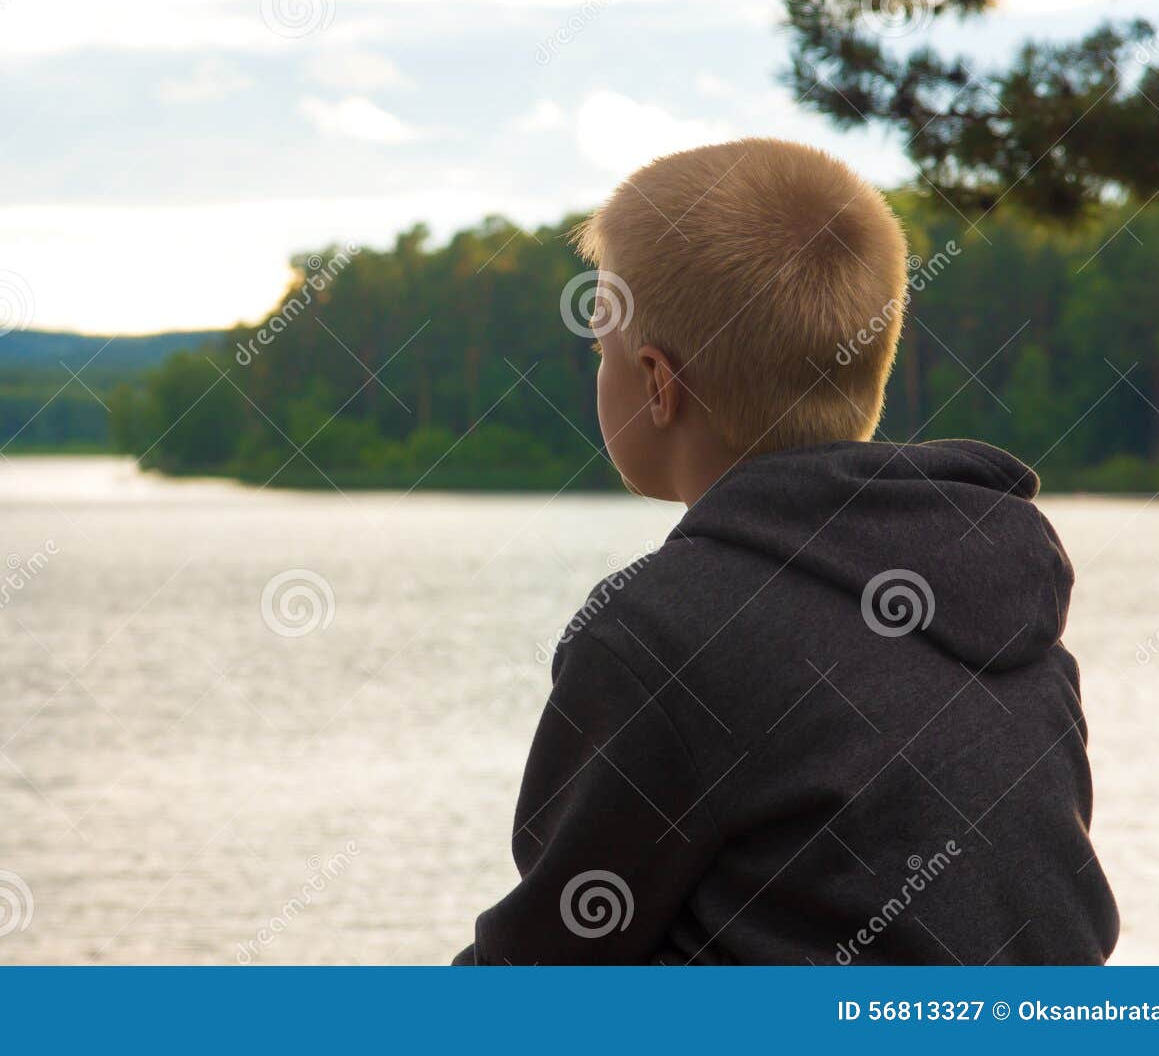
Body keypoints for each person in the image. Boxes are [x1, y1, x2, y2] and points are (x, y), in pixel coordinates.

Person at [453, 139, 1119, 964]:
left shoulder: (662, 634)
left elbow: (544, 968)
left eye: (600, 348)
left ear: (658, 384)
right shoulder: (1012, 608)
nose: (597, 367)